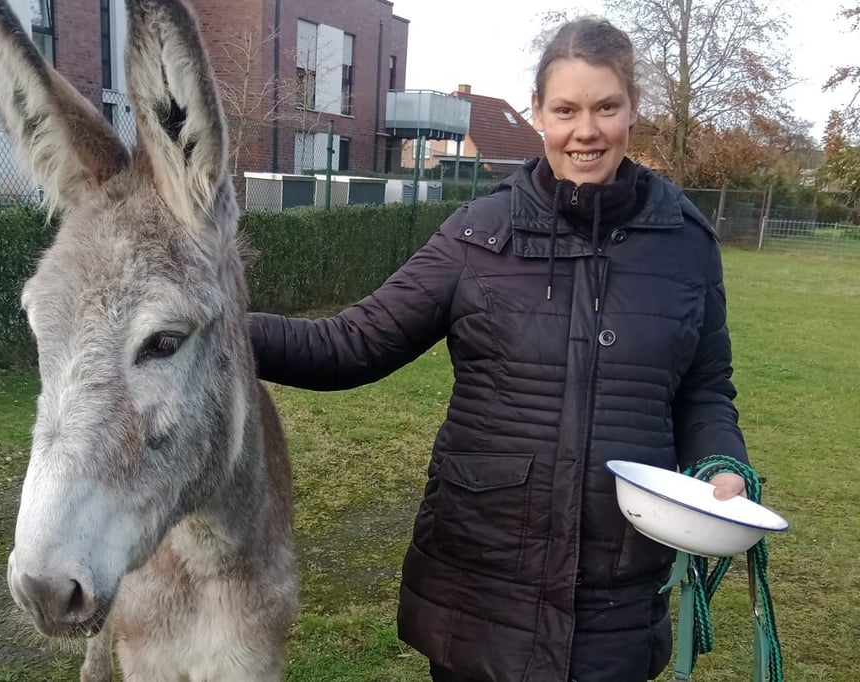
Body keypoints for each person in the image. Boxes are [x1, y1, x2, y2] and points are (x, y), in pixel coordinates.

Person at [249, 17, 748, 682]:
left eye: (606, 107)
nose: (587, 130)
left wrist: (721, 460)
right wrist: (214, 329)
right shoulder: (479, 234)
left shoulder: (685, 240)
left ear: (633, 110)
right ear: (539, 112)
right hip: (480, 587)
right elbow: (351, 344)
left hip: (617, 592)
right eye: (566, 110)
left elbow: (705, 388)